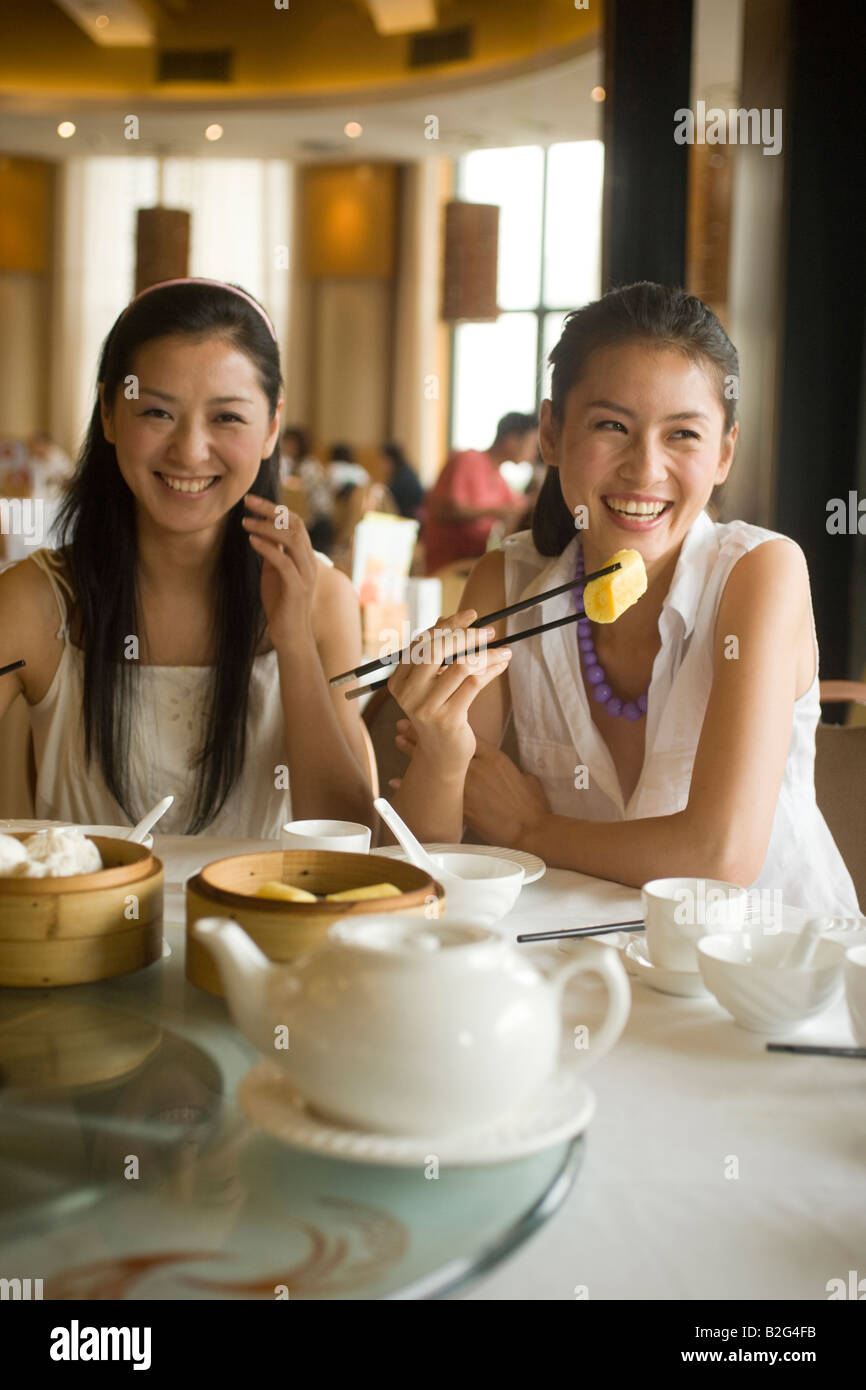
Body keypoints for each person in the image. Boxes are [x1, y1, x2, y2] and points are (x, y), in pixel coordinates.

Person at [386, 282, 860, 917]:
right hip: (582, 965)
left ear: (724, 453)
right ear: (550, 434)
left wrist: (531, 832)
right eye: (612, 425)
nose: (645, 469)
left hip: (770, 976)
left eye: (682, 435)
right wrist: (443, 751)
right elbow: (429, 869)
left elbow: (719, 857)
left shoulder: (759, 574)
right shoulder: (507, 583)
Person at [0, 278, 372, 838]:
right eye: (156, 412)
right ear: (108, 414)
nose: (190, 451)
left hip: (267, 923)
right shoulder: (35, 601)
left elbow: (349, 837)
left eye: (226, 418)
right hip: (81, 924)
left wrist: (292, 637)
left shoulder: (322, 597)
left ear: (272, 426)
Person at [422, 411, 538, 575]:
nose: (534, 452)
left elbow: (521, 506)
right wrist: (496, 511)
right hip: (448, 569)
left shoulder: (498, 478)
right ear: (512, 441)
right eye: (532, 444)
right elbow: (446, 510)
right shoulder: (468, 459)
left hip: (472, 564)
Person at [280, 425, 334, 553]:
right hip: (299, 520)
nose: (286, 446)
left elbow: (313, 500)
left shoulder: (309, 466)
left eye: (290, 443)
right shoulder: (289, 463)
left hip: (316, 524)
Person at [380, 440, 425, 520]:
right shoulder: (406, 470)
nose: (382, 465)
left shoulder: (402, 476)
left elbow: (390, 500)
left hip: (407, 519)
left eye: (384, 460)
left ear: (391, 459)